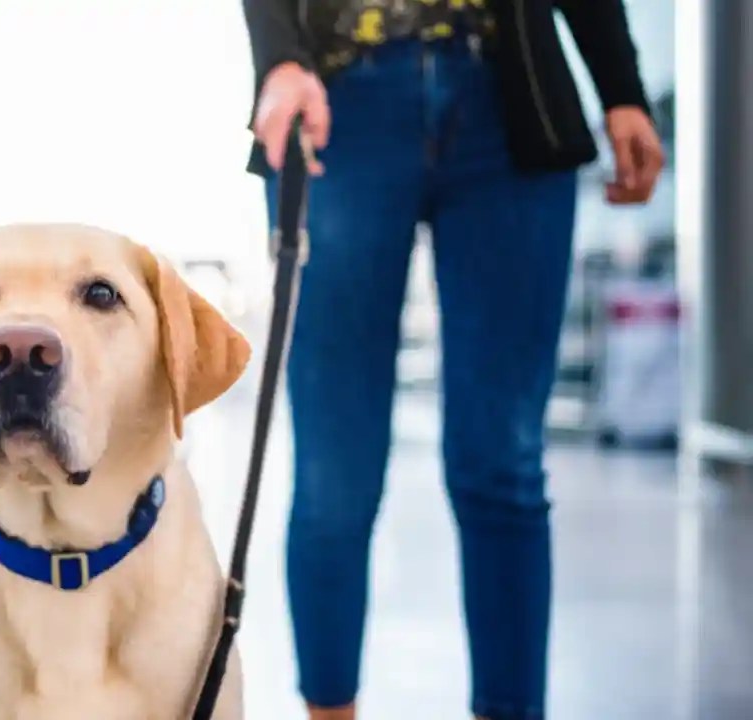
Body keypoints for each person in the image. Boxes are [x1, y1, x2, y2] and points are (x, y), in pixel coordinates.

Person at [241, 1, 663, 719]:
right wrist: (279, 59)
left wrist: (620, 87)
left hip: (509, 98)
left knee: (503, 461)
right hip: (340, 102)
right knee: (332, 475)